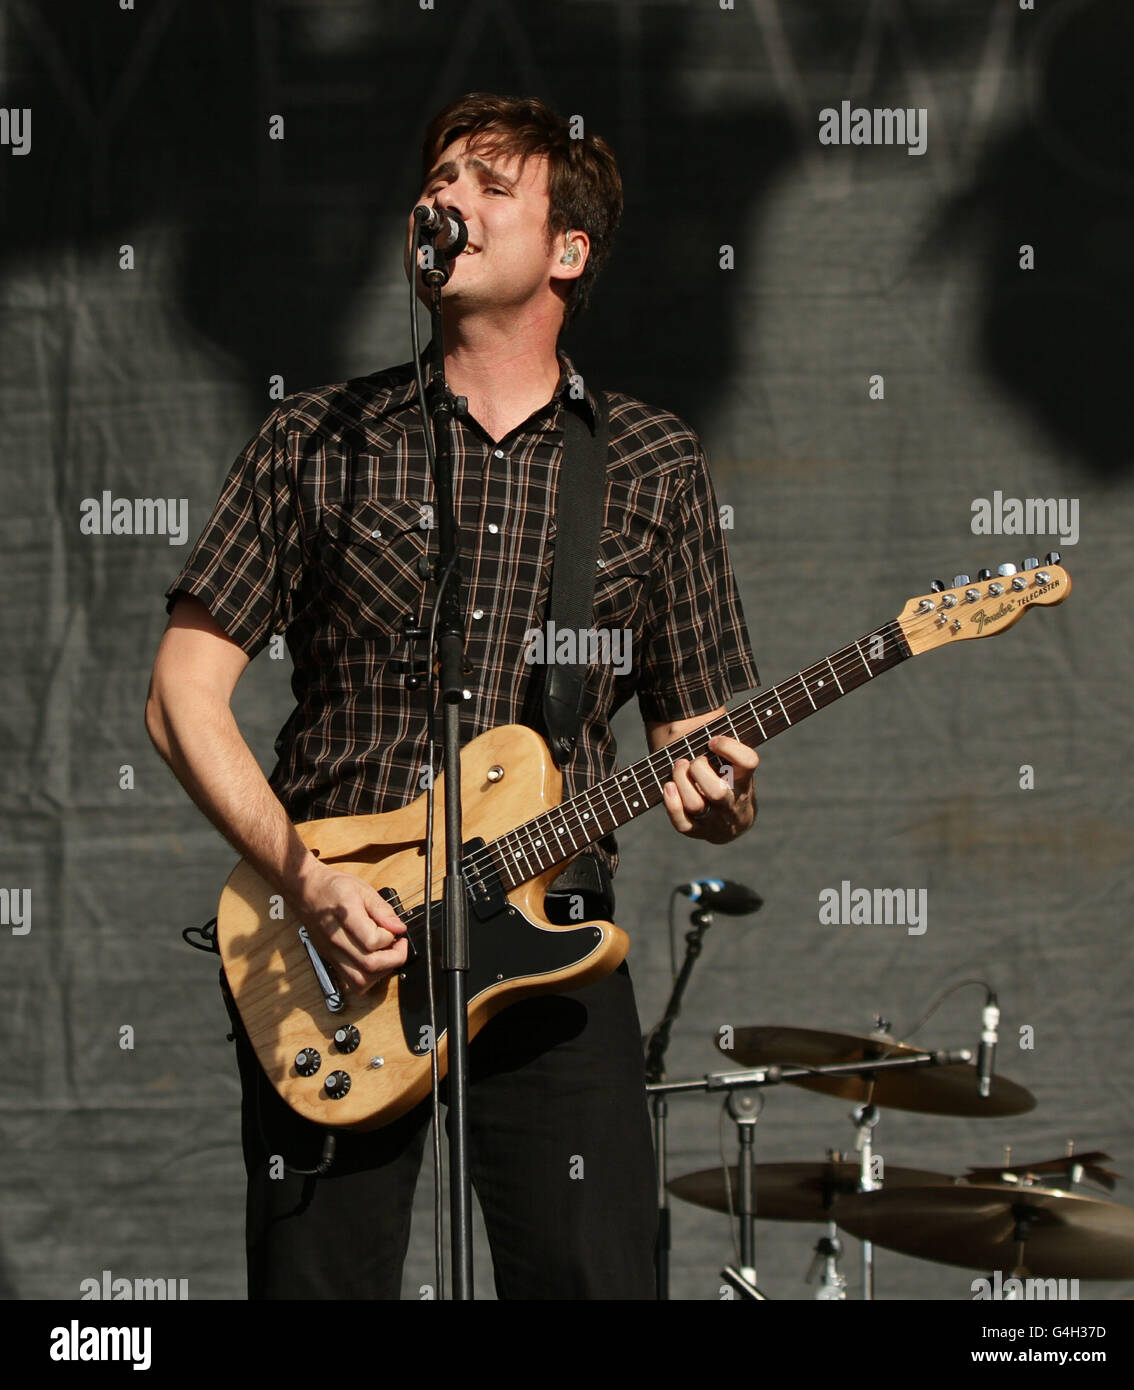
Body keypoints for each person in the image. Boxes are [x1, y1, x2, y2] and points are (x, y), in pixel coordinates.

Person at [145, 92, 761, 1300]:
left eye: (488, 185)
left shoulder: (649, 463)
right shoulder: (317, 437)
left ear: (567, 253)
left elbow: (698, 746)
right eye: (438, 179)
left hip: (552, 946)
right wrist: (306, 882)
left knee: (597, 1280)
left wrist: (722, 793)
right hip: (336, 944)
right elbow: (180, 696)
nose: (445, 199)